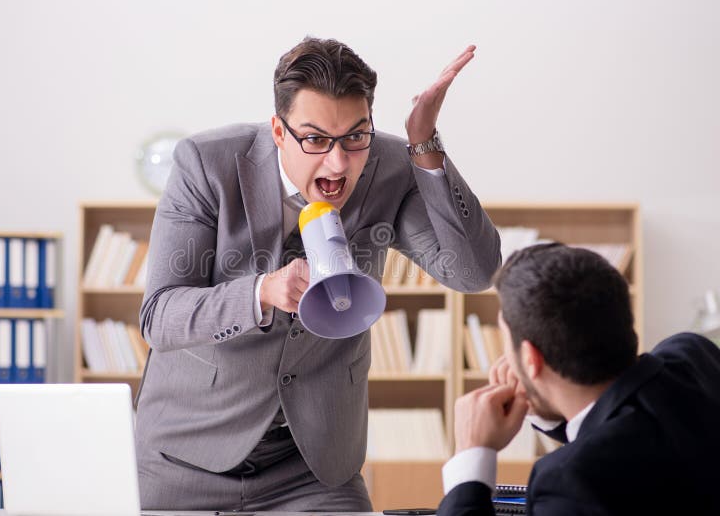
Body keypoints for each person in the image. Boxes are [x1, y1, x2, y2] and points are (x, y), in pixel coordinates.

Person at [135, 36, 502, 511]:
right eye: (314, 139)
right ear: (278, 130)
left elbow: (474, 273)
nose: (338, 162)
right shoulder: (207, 164)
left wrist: (424, 143)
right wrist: (262, 292)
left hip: (312, 468)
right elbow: (159, 317)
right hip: (184, 459)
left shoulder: (390, 166)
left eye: (356, 136)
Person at [439, 243, 720, 515]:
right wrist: (546, 405)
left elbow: (607, 457)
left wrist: (472, 457)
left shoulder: (570, 484)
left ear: (530, 359)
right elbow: (629, 431)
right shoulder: (692, 355)